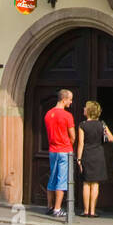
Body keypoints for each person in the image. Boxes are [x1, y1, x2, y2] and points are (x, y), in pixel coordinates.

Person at [76, 100, 112, 217]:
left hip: (87, 154)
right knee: (95, 184)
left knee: (86, 183)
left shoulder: (82, 125)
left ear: (89, 111)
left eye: (85, 108)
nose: (83, 109)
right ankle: (92, 211)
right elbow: (111, 138)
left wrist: (79, 159)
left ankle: (86, 211)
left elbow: (80, 143)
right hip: (98, 155)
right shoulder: (102, 124)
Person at [44, 88, 76, 217]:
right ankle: (57, 209)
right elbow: (72, 136)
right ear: (64, 100)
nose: (71, 102)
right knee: (61, 180)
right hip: (64, 150)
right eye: (70, 99)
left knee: (52, 179)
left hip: (52, 150)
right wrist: (68, 145)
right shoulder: (67, 116)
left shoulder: (48, 114)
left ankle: (50, 206)